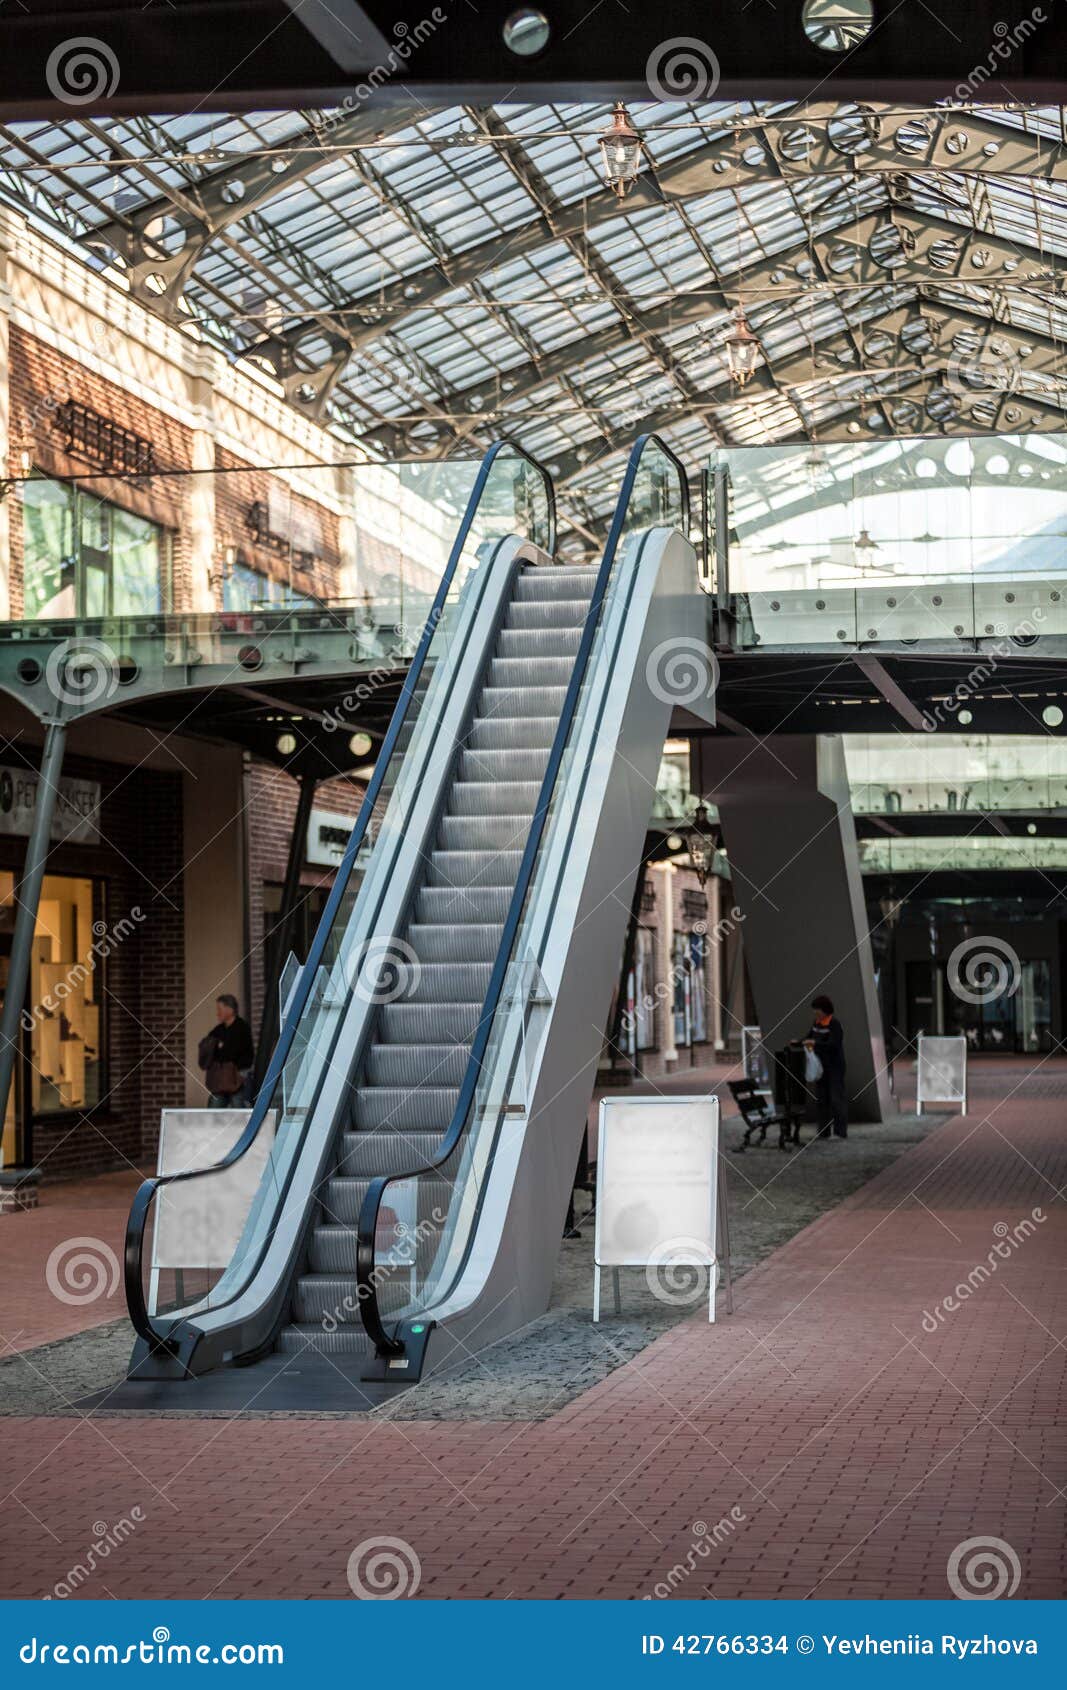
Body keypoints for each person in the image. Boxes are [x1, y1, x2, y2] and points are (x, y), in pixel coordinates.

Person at [198, 994, 255, 1107]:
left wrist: (220, 1048)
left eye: (220, 1009)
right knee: (214, 1105)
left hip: (239, 1078)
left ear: (230, 1010)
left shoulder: (241, 1028)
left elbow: (232, 1052)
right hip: (221, 1080)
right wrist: (218, 1046)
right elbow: (206, 1045)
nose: (217, 1013)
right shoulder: (219, 1030)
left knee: (238, 1107)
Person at [805, 993, 847, 1140]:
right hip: (821, 1067)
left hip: (835, 1067)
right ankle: (823, 1132)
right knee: (822, 1099)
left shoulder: (834, 1024)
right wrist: (800, 1042)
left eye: (818, 1010)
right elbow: (809, 1037)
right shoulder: (816, 1023)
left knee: (836, 1099)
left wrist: (816, 1044)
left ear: (825, 1010)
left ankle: (840, 1132)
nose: (816, 1013)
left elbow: (834, 1044)